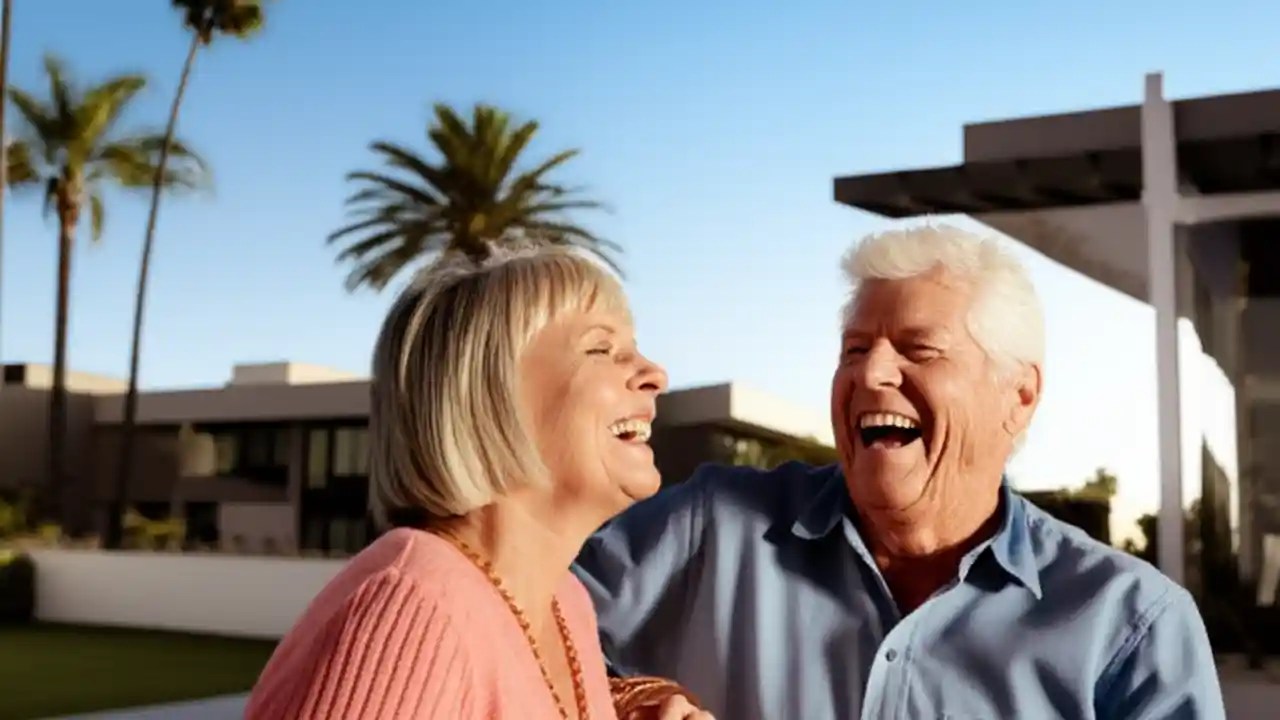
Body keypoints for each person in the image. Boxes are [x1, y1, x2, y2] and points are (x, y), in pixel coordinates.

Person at [574, 224, 1227, 719]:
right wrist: (633, 694)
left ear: (1019, 395)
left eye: (919, 350)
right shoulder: (711, 526)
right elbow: (512, 605)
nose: (870, 373)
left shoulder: (1134, 625)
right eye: (854, 349)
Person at [245, 243, 711, 720]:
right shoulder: (413, 604)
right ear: (486, 396)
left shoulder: (564, 604)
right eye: (601, 349)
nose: (657, 374)